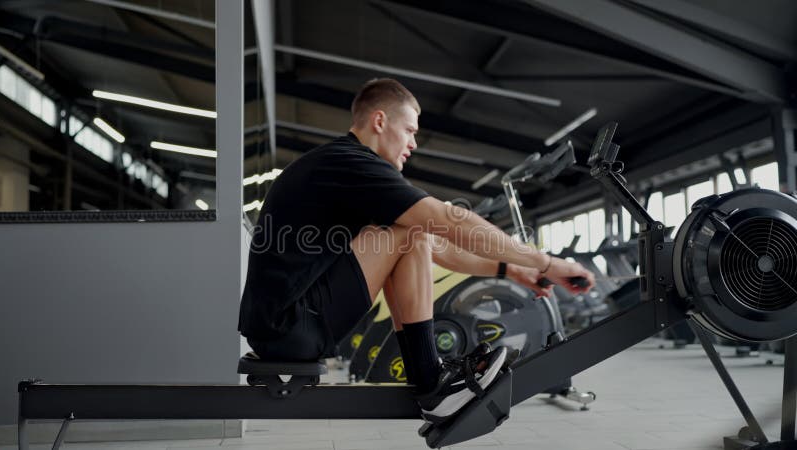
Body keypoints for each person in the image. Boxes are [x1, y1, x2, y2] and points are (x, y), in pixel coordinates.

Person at [238, 78, 594, 423]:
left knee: (413, 233)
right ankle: (431, 383)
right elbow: (448, 220)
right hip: (290, 328)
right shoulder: (351, 163)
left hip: (283, 325)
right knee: (413, 232)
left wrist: (509, 270)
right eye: (409, 130)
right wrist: (546, 261)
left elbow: (438, 248)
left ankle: (429, 377)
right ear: (380, 121)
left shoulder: (344, 166)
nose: (413, 143)